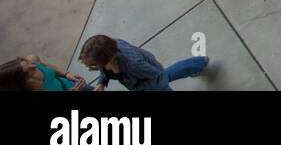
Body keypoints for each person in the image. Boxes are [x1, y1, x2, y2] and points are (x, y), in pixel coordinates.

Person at [79, 35, 208, 91]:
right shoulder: (107, 49)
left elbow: (155, 74)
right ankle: (199, 63)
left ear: (106, 59)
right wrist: (101, 83)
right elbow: (104, 70)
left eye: (92, 65)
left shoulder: (132, 64)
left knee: (166, 75)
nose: (90, 69)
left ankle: (199, 63)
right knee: (168, 74)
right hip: (148, 81)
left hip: (154, 85)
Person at [0, 54, 87, 91]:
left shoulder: (32, 60)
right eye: (28, 71)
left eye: (28, 63)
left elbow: (45, 65)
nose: (33, 66)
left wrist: (66, 74)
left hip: (76, 85)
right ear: (20, 82)